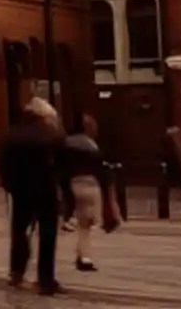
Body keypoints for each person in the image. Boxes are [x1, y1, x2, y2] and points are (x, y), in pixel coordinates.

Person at [2, 97, 67, 296]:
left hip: (21, 190)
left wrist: (11, 186)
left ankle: (16, 271)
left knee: (20, 230)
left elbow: (5, 166)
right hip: (45, 188)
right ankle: (45, 279)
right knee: (47, 235)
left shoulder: (14, 135)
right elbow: (62, 163)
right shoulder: (52, 133)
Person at [62, 113, 110, 271]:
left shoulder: (66, 143)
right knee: (86, 225)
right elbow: (101, 169)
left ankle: (81, 253)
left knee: (83, 223)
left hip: (73, 183)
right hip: (90, 185)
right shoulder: (91, 146)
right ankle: (85, 258)